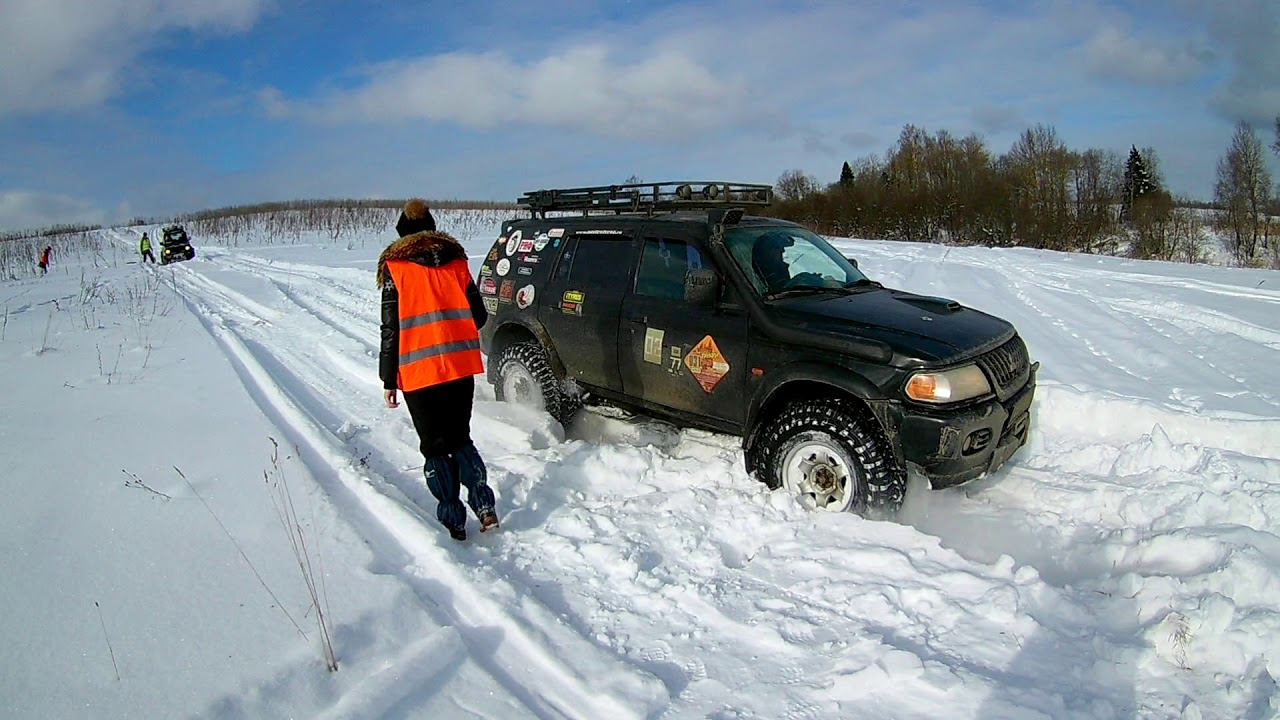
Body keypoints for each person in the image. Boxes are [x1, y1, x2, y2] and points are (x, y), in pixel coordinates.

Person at [377, 199, 496, 541]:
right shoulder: (457, 262)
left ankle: (453, 519)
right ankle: (484, 504)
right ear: (432, 227)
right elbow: (480, 317)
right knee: (460, 438)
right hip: (459, 368)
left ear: (402, 231)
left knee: (434, 446)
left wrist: (389, 379)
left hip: (418, 372)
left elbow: (390, 331)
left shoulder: (395, 268)